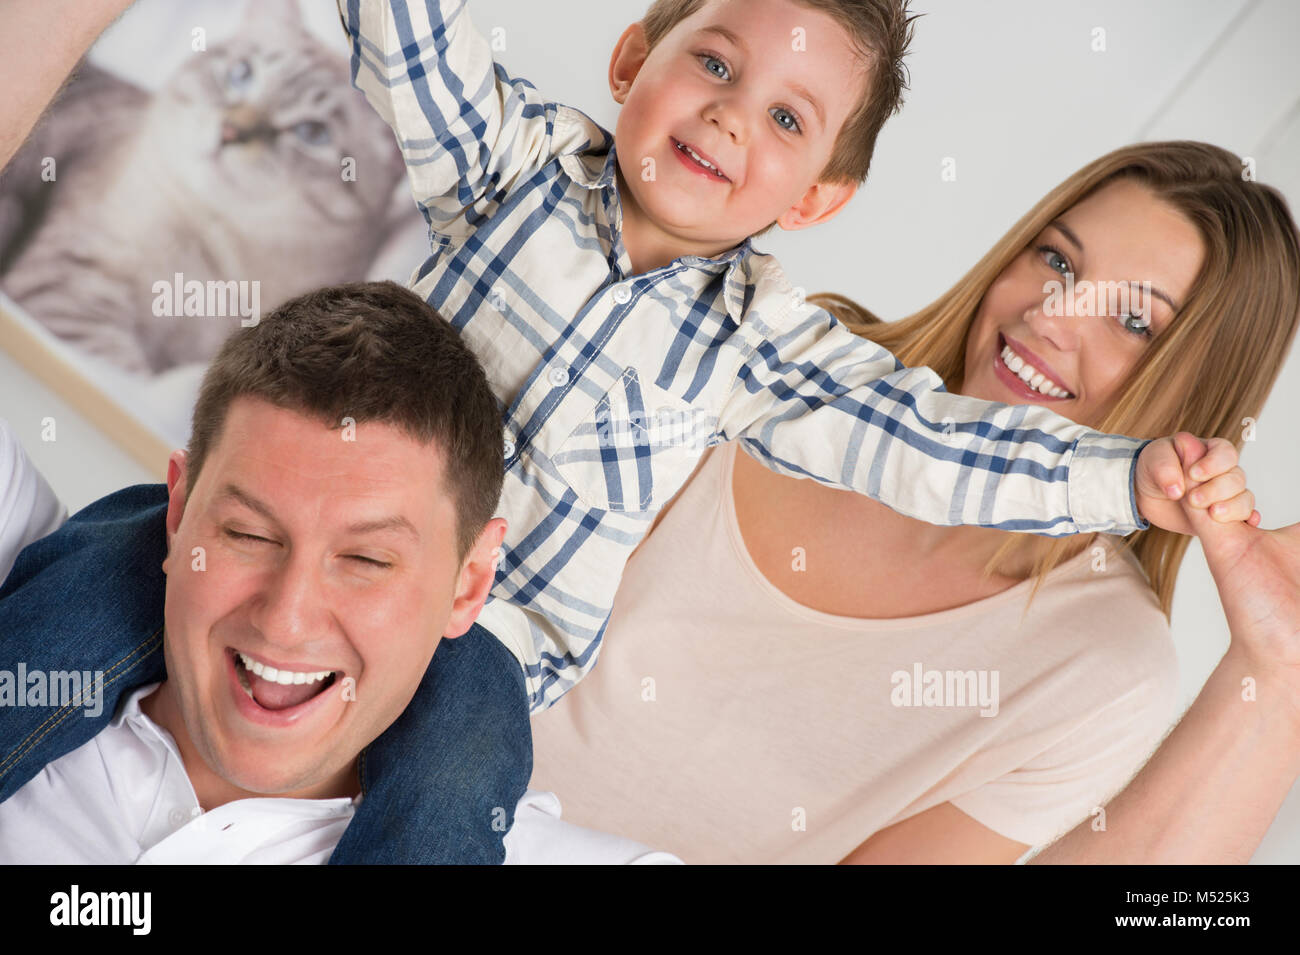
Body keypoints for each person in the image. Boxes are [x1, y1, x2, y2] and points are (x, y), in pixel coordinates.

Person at [0, 0, 1249, 863]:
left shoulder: (764, 351)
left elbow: (932, 445)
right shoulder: (510, 166)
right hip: (283, 536)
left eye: (785, 120)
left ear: (818, 197)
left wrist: (1122, 481)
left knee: (444, 811)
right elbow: (414, 51)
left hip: (486, 652)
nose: (725, 119)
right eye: (712, 65)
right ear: (630, 60)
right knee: (63, 612)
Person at [528, 141, 1300, 863]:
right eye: (1057, 259)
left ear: (1198, 392)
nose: (1050, 316)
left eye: (1133, 320)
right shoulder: (795, 368)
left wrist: (1278, 667)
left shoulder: (1099, 660)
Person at [0, 281, 679, 864]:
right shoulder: (36, 593)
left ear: (468, 583)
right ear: (177, 511)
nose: (285, 617)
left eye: (365, 559)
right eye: (248, 534)